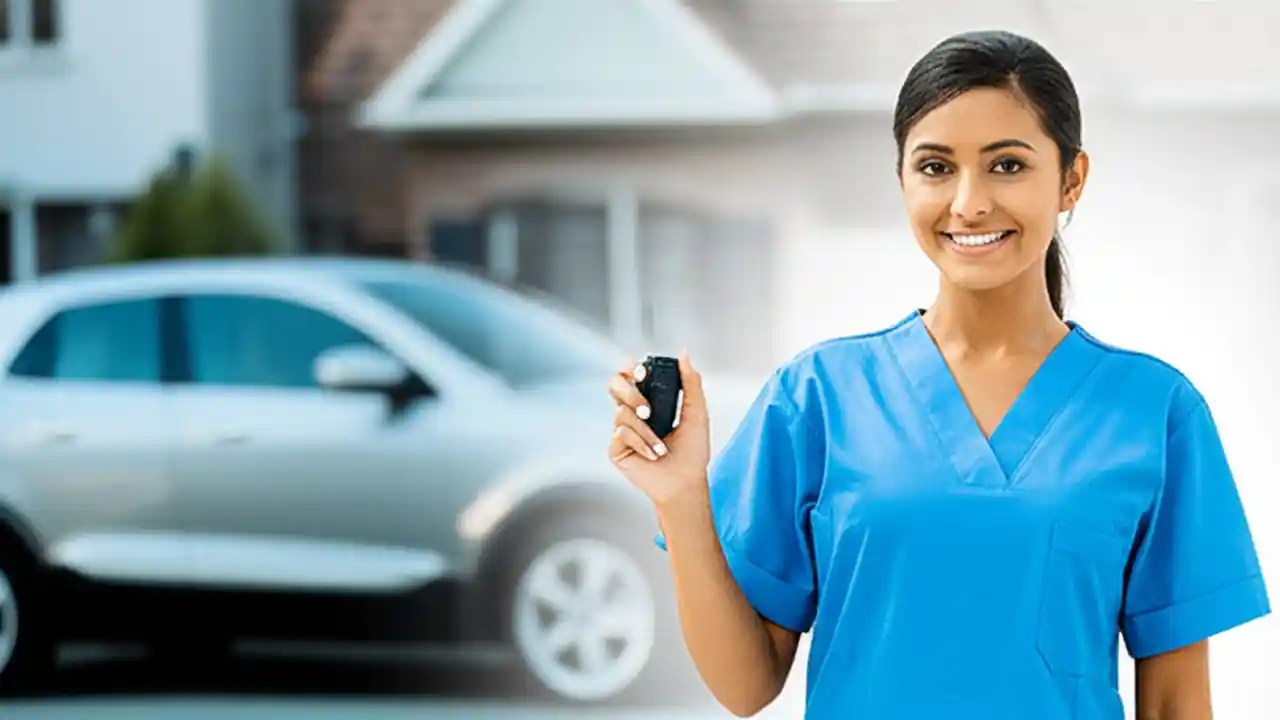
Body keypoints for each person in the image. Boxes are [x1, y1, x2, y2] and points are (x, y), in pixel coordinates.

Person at [605, 29, 1271, 720]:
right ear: (902, 179)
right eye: (935, 167)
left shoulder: (1154, 411)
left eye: (1007, 165)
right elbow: (745, 689)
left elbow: (1175, 703)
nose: (969, 203)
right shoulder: (817, 398)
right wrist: (682, 500)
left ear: (1071, 178)